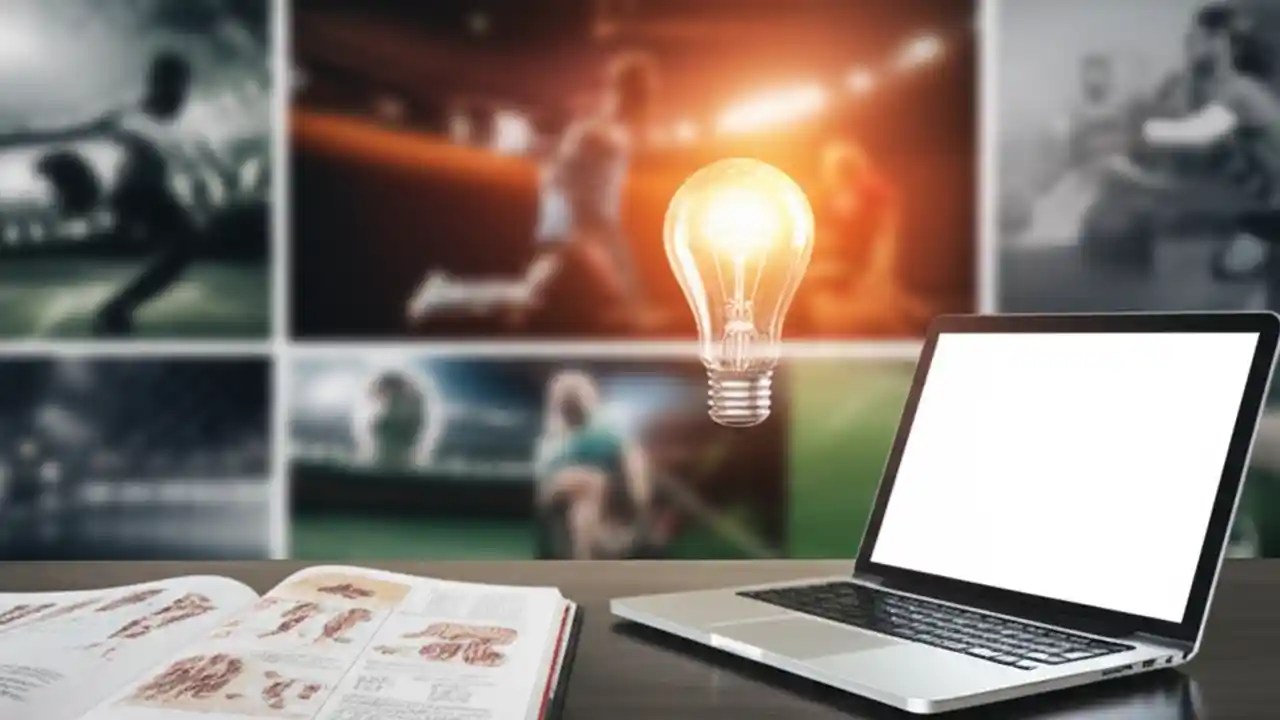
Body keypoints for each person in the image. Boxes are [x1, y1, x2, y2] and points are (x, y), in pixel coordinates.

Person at [407, 53, 658, 332]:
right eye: (635, 93)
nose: (639, 101)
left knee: (528, 294)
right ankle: (442, 295)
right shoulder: (594, 131)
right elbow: (559, 172)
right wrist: (570, 223)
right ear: (622, 92)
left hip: (584, 217)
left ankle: (443, 294)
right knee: (537, 290)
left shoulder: (616, 130)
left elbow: (591, 180)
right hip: (572, 216)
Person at [0, 52, 206, 336]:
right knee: (185, 243)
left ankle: (118, 306)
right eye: (175, 88)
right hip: (134, 194)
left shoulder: (173, 123)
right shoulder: (129, 116)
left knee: (186, 247)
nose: (181, 98)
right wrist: (15, 139)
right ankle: (117, 304)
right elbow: (73, 131)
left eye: (184, 89)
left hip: (150, 195)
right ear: (159, 85)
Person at [1106, 2, 1280, 305]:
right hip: (1264, 214)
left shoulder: (1241, 91)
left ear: (1220, 41)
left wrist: (1137, 134)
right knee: (1246, 289)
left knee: (1234, 274)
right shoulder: (1217, 92)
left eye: (1196, 37)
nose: (1189, 44)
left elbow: (1199, 132)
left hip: (1270, 215)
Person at [803, 139, 930, 334]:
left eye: (844, 170)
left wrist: (876, 277)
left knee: (891, 315)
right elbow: (822, 253)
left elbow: (883, 247)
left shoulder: (877, 202)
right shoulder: (822, 206)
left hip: (866, 281)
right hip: (841, 282)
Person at [533, 371, 652, 559]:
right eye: (566, 395)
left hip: (601, 489)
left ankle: (590, 548)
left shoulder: (606, 428)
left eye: (576, 393)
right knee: (593, 481)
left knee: (589, 496)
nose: (572, 400)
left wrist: (636, 490)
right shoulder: (555, 435)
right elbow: (547, 473)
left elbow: (627, 451)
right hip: (557, 485)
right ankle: (588, 551)